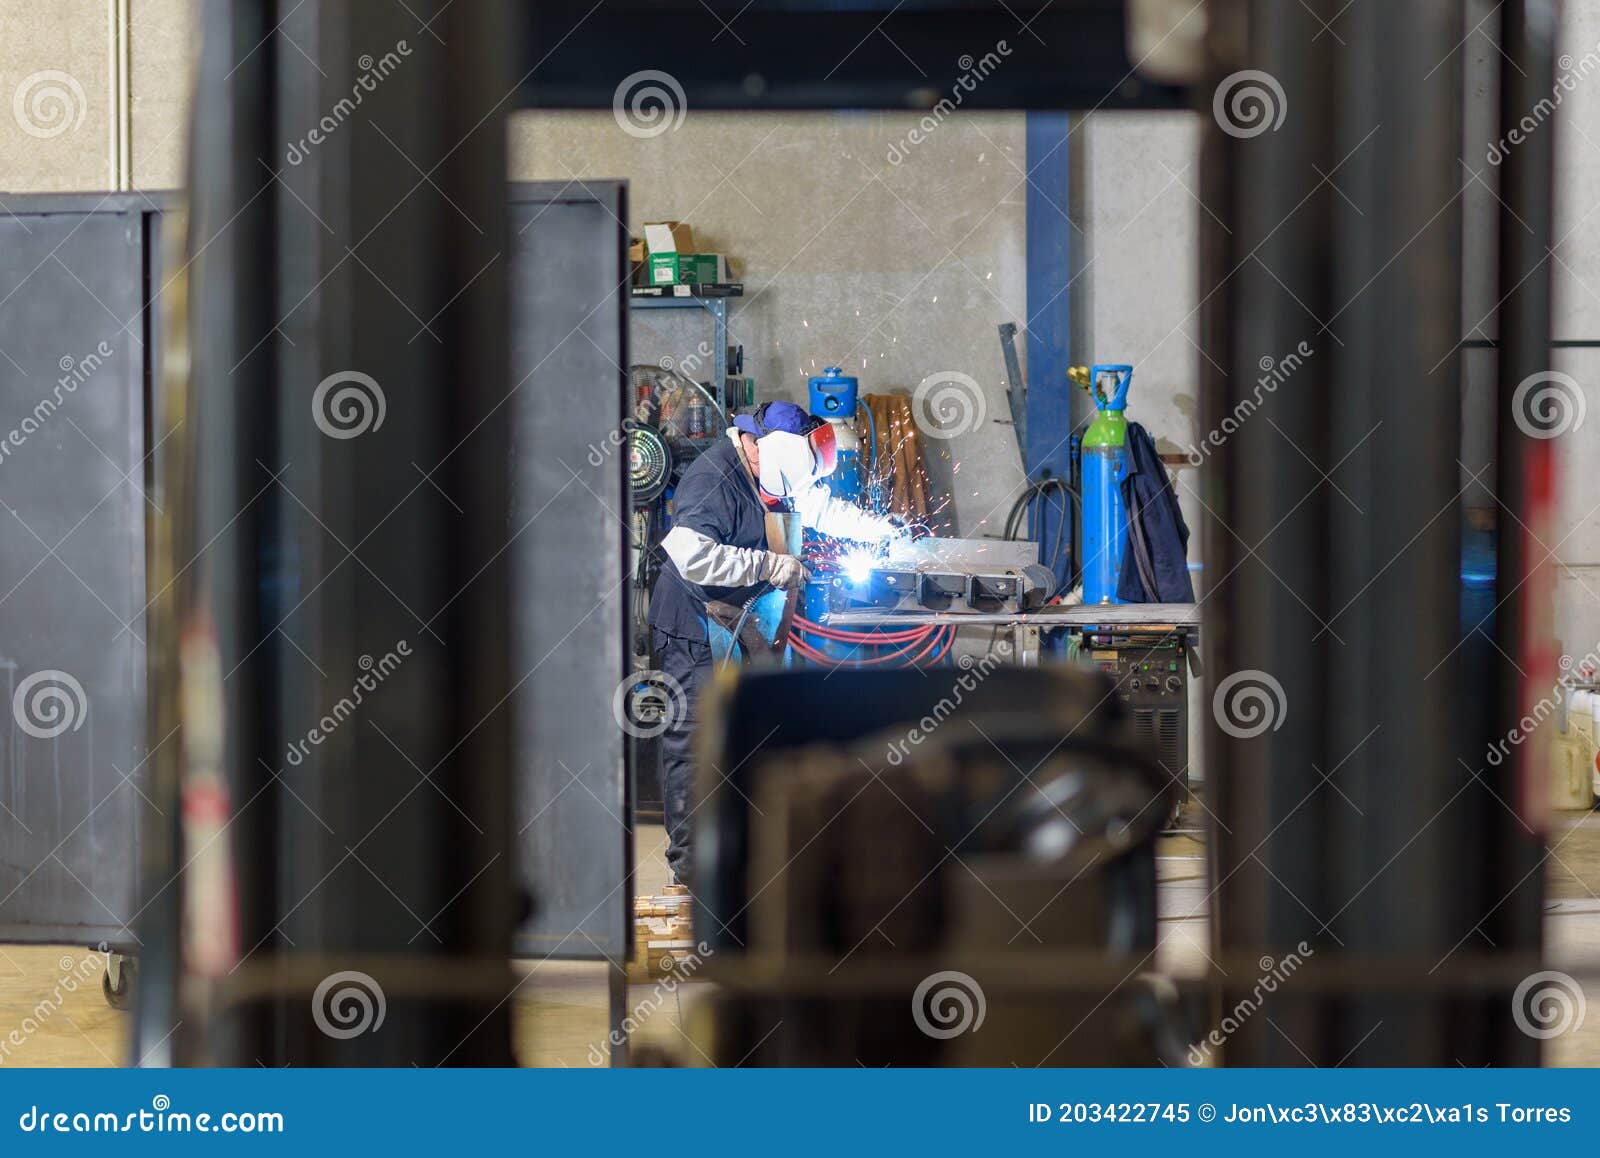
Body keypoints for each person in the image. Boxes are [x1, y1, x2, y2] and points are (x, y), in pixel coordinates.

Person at [648, 400, 904, 886]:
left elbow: (818, 505)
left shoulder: (772, 467)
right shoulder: (713, 480)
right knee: (696, 745)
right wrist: (767, 566)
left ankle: (740, 855)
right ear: (763, 448)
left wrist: (879, 532)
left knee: (746, 736)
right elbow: (692, 559)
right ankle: (691, 871)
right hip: (693, 626)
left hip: (737, 620)